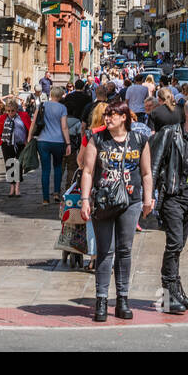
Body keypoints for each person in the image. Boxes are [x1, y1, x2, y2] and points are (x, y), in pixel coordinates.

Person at [79, 100, 154, 322]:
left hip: (131, 201)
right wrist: (85, 199)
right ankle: (101, 300)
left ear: (124, 118)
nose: (107, 118)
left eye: (112, 115)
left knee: (125, 250)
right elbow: (88, 171)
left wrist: (147, 199)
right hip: (103, 201)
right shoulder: (97, 139)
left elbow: (147, 172)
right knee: (105, 251)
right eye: (107, 115)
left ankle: (122, 299)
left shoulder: (139, 139)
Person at [149, 95, 188, 313]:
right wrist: (150, 196)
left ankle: (177, 293)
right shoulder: (169, 134)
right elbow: (154, 166)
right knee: (174, 244)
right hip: (172, 197)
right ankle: (167, 297)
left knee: (179, 247)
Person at [35, 86, 71, 205]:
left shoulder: (42, 105)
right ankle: (56, 193)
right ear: (60, 96)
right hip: (58, 141)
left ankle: (45, 198)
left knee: (45, 170)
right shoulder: (63, 108)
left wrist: (29, 137)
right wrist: (68, 143)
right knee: (57, 168)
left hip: (43, 140)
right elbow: (64, 127)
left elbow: (34, 121)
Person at [0, 98, 28, 197]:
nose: (10, 113)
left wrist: (28, 140)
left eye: (12, 111)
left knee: (18, 165)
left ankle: (17, 187)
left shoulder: (22, 116)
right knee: (10, 165)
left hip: (20, 144)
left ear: (16, 110)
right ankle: (12, 187)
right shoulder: (3, 118)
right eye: (8, 111)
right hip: (7, 144)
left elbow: (29, 127)